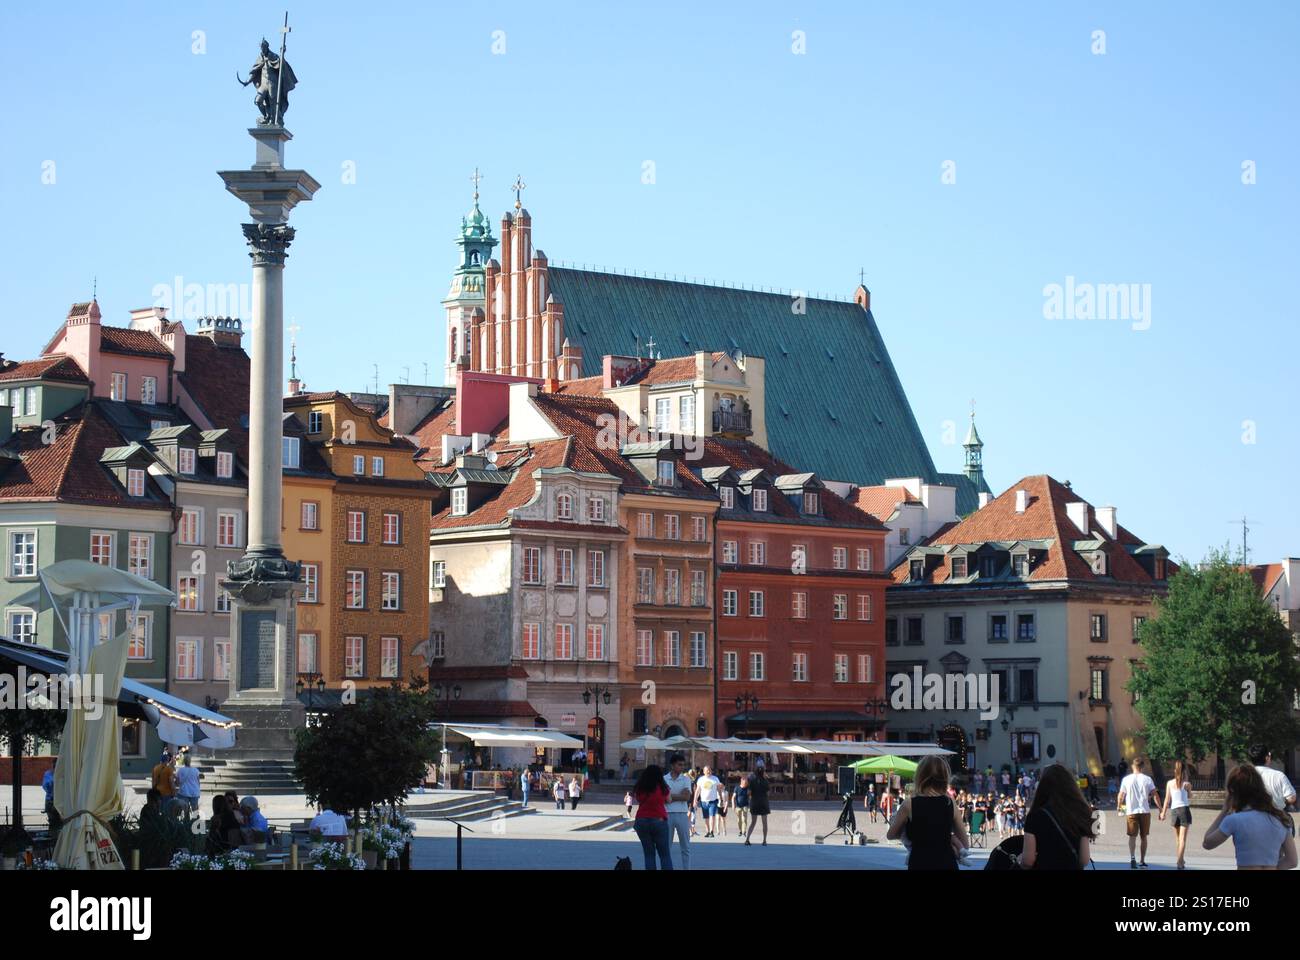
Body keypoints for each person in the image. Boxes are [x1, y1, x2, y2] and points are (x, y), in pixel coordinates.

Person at [1202, 763, 1297, 870]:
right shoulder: (1281, 819)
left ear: (1233, 792)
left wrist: (1224, 811)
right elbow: (1292, 861)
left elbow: (1207, 843)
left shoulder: (1234, 820)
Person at [887, 755, 968, 870]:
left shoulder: (909, 804)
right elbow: (965, 843)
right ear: (945, 777)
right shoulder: (950, 803)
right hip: (947, 863)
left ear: (920, 776)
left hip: (920, 862)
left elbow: (890, 835)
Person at [1019, 764, 1094, 870]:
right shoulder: (1079, 814)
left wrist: (1019, 860)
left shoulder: (1035, 816)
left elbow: (1028, 861)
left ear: (1043, 787)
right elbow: (1084, 859)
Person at [1117, 758, 1162, 869]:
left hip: (1131, 811)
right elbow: (1155, 795)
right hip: (1144, 811)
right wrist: (1160, 808)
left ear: (1133, 766)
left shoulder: (1126, 779)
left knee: (1132, 836)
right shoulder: (1148, 779)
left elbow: (1121, 795)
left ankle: (1132, 857)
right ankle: (1142, 860)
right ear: (1142, 767)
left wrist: (1119, 807)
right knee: (1144, 837)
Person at [632, 764, 673, 870]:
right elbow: (669, 800)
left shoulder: (641, 787)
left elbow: (638, 799)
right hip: (658, 819)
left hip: (642, 820)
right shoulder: (663, 787)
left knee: (649, 854)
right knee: (664, 855)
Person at [1248, 746, 1296, 834]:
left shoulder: (1246, 777)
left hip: (1252, 820)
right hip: (1277, 819)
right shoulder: (1279, 776)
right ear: (1267, 757)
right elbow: (1291, 798)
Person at [1159, 759, 1194, 869]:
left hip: (1174, 811)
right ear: (1184, 771)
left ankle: (1181, 859)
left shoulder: (1169, 783)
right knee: (1183, 839)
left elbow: (1167, 799)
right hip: (1184, 810)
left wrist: (1163, 813)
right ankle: (1179, 862)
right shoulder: (1187, 784)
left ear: (1175, 771)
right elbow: (1190, 796)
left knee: (1178, 839)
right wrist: (1187, 782)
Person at [664, 754, 694, 869]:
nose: (682, 767)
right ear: (672, 765)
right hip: (667, 814)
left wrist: (671, 797)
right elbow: (664, 798)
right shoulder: (664, 779)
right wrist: (677, 796)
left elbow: (686, 797)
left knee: (685, 847)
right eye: (679, 765)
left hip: (682, 814)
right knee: (666, 847)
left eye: (683, 765)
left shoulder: (686, 779)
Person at [744, 765, 771, 846]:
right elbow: (768, 793)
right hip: (763, 802)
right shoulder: (766, 781)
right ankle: (764, 841)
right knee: (764, 822)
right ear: (763, 772)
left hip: (754, 802)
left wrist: (750, 797)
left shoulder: (752, 780)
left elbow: (748, 792)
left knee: (753, 822)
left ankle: (747, 839)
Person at [693, 766, 723, 838]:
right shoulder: (700, 779)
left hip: (713, 801)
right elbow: (697, 790)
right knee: (706, 817)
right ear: (704, 772)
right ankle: (708, 831)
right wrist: (695, 800)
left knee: (712, 816)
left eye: (709, 770)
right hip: (703, 801)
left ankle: (711, 831)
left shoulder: (715, 779)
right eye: (707, 770)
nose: (708, 772)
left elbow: (719, 789)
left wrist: (721, 799)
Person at [42, 758, 60, 831]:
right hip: (50, 800)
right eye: (54, 765)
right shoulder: (48, 774)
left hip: (60, 801)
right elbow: (45, 786)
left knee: (60, 822)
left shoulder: (63, 774)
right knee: (52, 821)